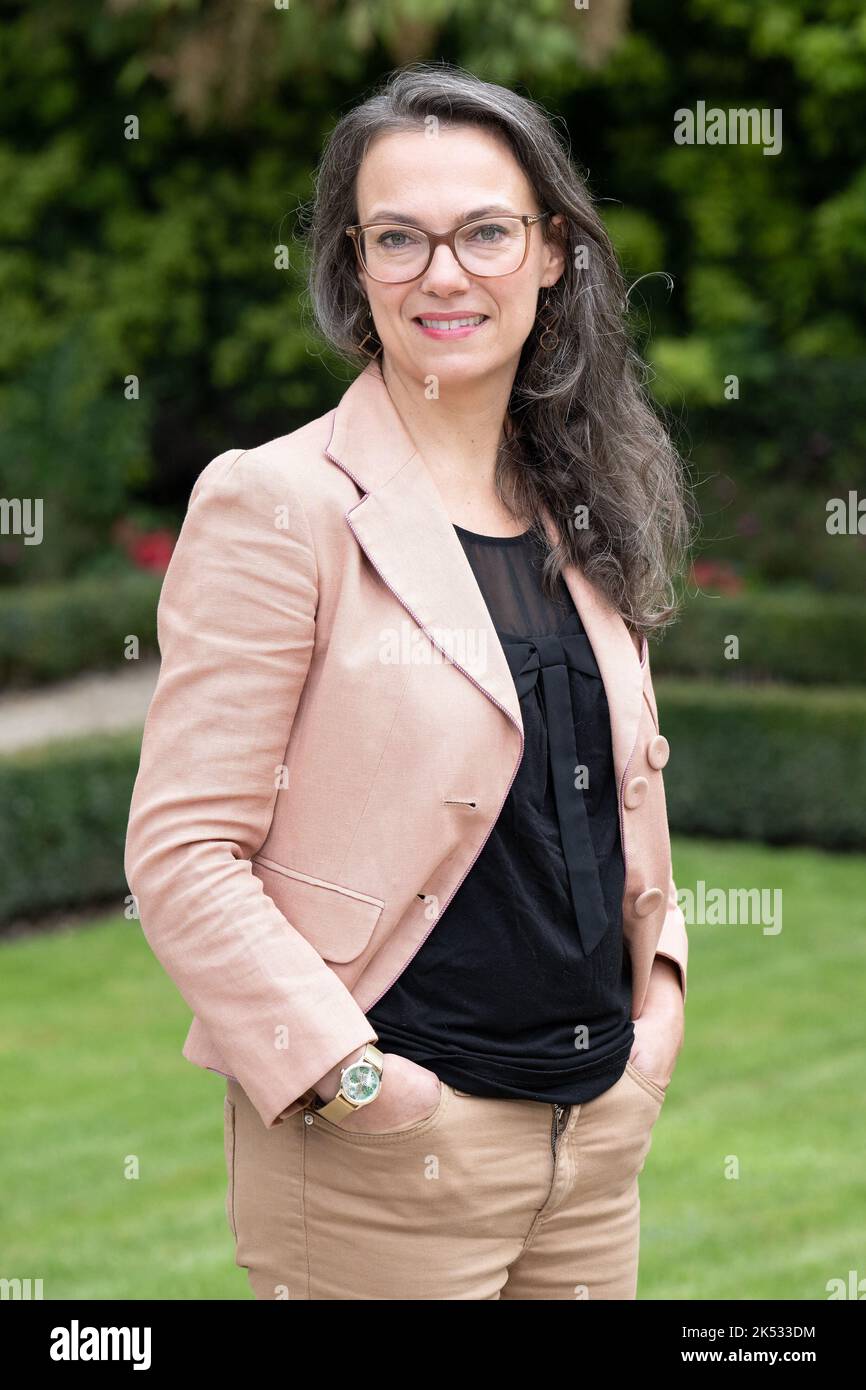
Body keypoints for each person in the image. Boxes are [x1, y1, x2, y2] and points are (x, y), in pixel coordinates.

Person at [124, 61, 693, 1301]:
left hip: (595, 1143)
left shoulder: (579, 501)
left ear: (551, 253)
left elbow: (616, 793)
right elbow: (182, 852)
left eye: (485, 231)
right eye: (398, 237)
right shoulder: (275, 502)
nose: (443, 273)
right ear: (356, 263)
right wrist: (355, 1082)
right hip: (383, 1160)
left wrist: (658, 1011)